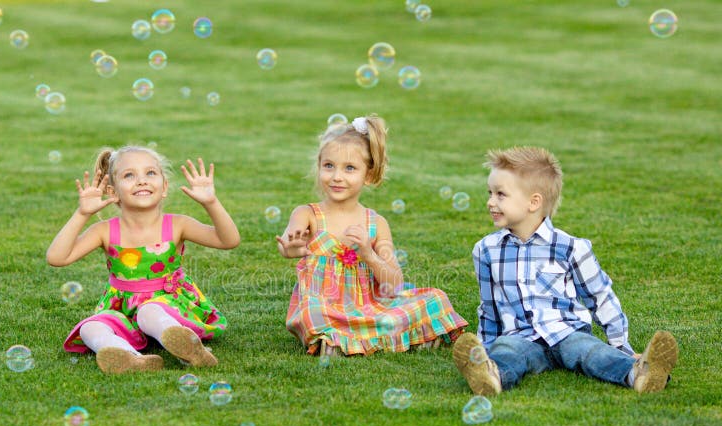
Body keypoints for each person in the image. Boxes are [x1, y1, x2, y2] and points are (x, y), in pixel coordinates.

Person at [452, 146, 678, 395]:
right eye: (490, 193)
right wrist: (485, 348)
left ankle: (639, 374)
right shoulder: (486, 250)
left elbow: (599, 297)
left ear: (533, 202)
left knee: (591, 351)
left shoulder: (570, 247)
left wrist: (620, 345)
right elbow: (489, 307)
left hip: (567, 332)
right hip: (521, 337)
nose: (490, 202)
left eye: (500, 194)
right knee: (508, 352)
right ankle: (490, 375)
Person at [276, 115, 468, 356]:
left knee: (435, 298)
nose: (336, 176)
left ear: (368, 175)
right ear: (319, 166)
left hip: (370, 305)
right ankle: (386, 337)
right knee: (312, 313)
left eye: (349, 168)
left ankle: (341, 340)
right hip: (326, 305)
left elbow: (395, 282)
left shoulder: (376, 224)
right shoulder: (307, 214)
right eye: (329, 166)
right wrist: (291, 249)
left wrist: (368, 253)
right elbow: (288, 245)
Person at [47, 145, 240, 374]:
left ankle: (186, 343)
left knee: (149, 311)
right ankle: (129, 357)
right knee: (90, 327)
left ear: (164, 186)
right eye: (129, 175)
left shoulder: (178, 224)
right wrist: (82, 214)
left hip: (170, 304)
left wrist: (211, 202)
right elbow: (57, 257)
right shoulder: (105, 231)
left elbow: (228, 240)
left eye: (150, 173)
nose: (141, 181)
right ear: (113, 191)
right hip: (123, 309)